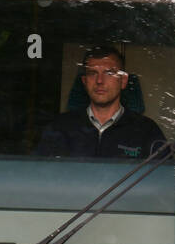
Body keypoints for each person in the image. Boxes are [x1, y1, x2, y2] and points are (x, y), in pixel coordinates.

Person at [36, 45, 167, 160]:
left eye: (109, 73)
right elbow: (41, 178)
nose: (100, 81)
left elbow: (163, 181)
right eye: (93, 73)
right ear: (84, 81)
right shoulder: (59, 128)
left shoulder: (146, 131)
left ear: (123, 81)